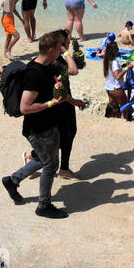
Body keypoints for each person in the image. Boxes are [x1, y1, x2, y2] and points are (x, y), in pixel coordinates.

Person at [1, 31, 67, 218]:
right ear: (52, 49)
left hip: (47, 125)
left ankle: (12, 181)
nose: (63, 50)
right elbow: (25, 107)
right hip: (39, 129)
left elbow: (57, 83)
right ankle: (43, 206)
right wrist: (51, 104)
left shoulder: (46, 67)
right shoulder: (34, 73)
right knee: (50, 166)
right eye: (61, 46)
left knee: (42, 159)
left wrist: (69, 99)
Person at [51, 30, 86, 179]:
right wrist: (75, 101)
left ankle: (63, 167)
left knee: (66, 134)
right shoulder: (56, 62)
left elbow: (76, 68)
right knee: (64, 135)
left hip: (64, 102)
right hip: (61, 104)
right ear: (61, 45)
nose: (69, 44)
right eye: (67, 43)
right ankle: (34, 156)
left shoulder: (57, 59)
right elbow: (73, 71)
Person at [103, 41, 134, 120]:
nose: (118, 49)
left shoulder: (106, 60)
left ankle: (108, 120)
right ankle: (126, 122)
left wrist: (123, 65)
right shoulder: (114, 62)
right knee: (125, 107)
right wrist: (127, 68)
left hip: (109, 88)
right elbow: (117, 76)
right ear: (114, 51)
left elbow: (114, 71)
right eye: (117, 48)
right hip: (116, 89)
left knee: (112, 107)